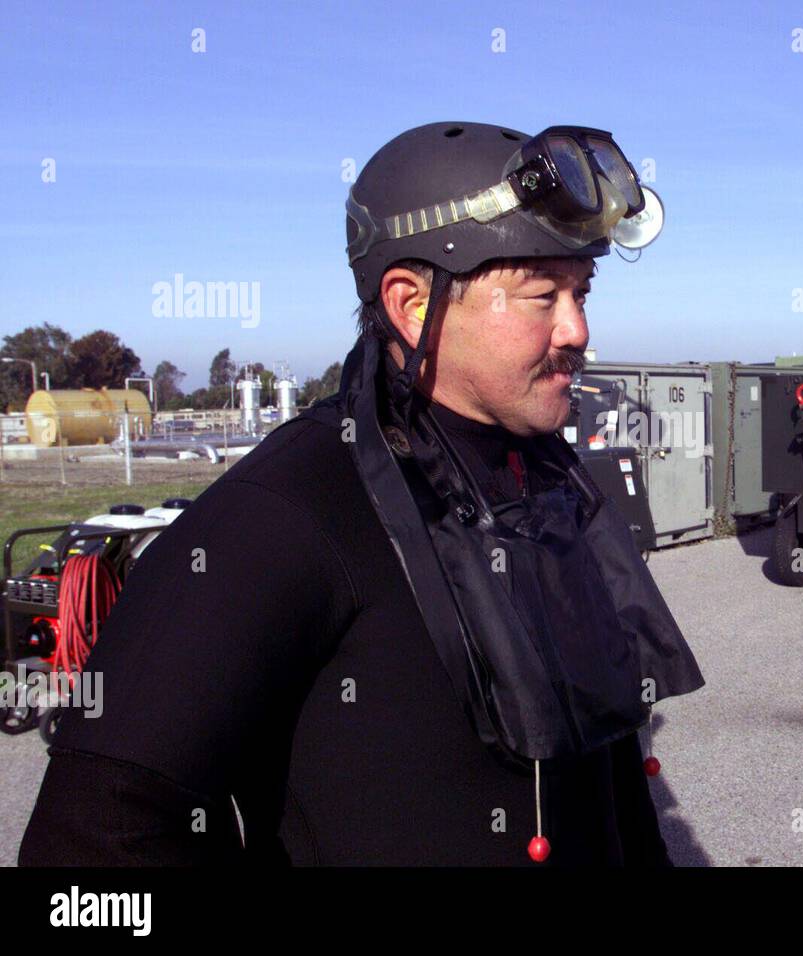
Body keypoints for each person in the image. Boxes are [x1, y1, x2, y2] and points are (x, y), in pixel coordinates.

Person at [19, 121, 704, 865]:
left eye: (582, 291)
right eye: (544, 296)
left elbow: (609, 777)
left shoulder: (550, 483)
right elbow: (86, 851)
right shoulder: (284, 511)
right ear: (412, 305)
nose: (579, 329)